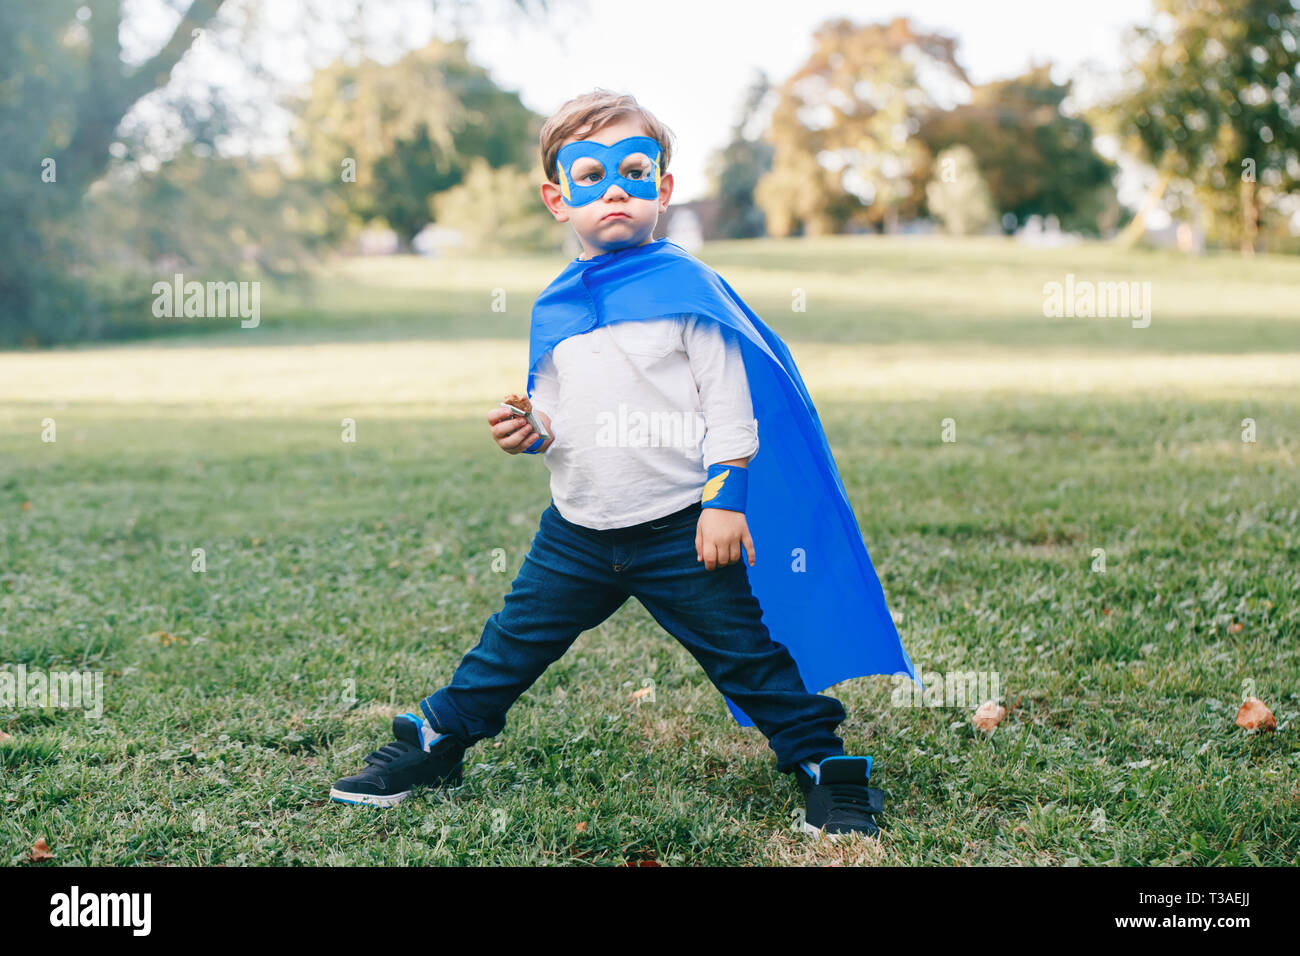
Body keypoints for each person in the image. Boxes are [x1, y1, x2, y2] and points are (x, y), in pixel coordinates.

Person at [330, 89, 901, 838]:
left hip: (680, 530)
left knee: (746, 658)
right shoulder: (557, 306)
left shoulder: (688, 295)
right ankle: (437, 740)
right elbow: (560, 416)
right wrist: (531, 428)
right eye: (589, 175)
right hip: (577, 530)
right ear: (556, 197)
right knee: (509, 646)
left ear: (663, 189)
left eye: (634, 171)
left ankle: (825, 764)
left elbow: (730, 410)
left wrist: (725, 502)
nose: (613, 191)